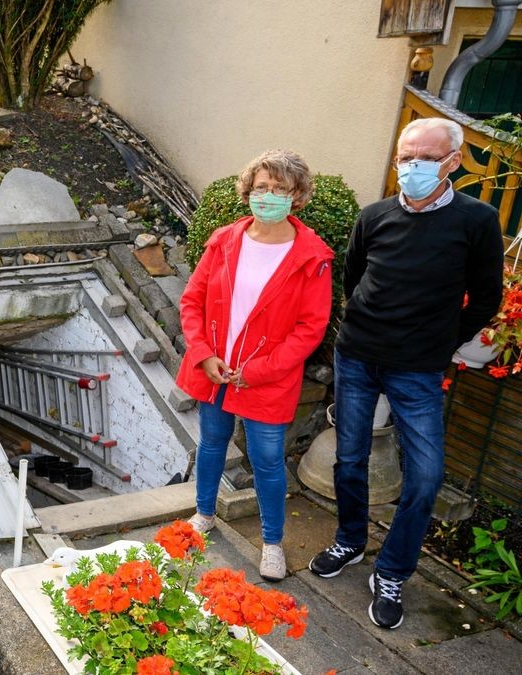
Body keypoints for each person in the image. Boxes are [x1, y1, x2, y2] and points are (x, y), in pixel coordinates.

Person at [309, 118, 503, 629]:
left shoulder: (477, 221)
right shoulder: (374, 215)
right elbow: (353, 277)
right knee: (349, 460)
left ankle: (392, 570)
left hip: (418, 370)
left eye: (423, 158)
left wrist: (440, 342)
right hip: (357, 357)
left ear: (453, 162)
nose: (410, 167)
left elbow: (486, 298)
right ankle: (350, 540)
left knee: (424, 476)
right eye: (404, 157)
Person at [177, 149, 334, 582]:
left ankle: (271, 543)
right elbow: (191, 300)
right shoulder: (224, 240)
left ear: (297, 195)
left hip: (267, 377)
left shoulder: (312, 256)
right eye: (261, 187)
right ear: (248, 190)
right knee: (211, 444)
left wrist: (257, 371)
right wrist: (203, 353)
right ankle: (204, 514)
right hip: (215, 370)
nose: (268, 195)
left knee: (267, 460)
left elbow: (310, 328)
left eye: (280, 189)